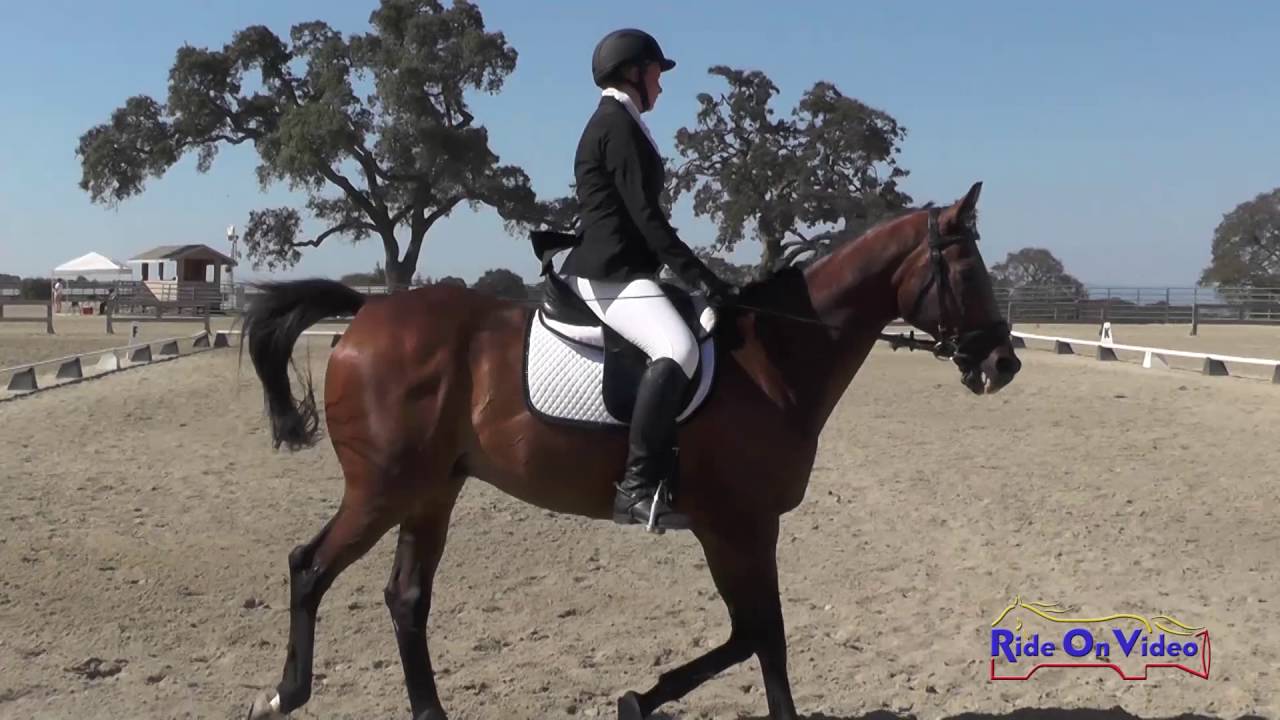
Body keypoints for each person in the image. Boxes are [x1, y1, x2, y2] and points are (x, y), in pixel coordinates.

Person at [559, 28, 736, 532]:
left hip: (626, 269)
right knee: (677, 348)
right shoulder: (616, 126)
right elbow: (646, 220)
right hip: (610, 274)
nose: (661, 82)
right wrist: (701, 276)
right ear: (634, 73)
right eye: (657, 71)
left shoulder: (624, 121)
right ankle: (635, 487)